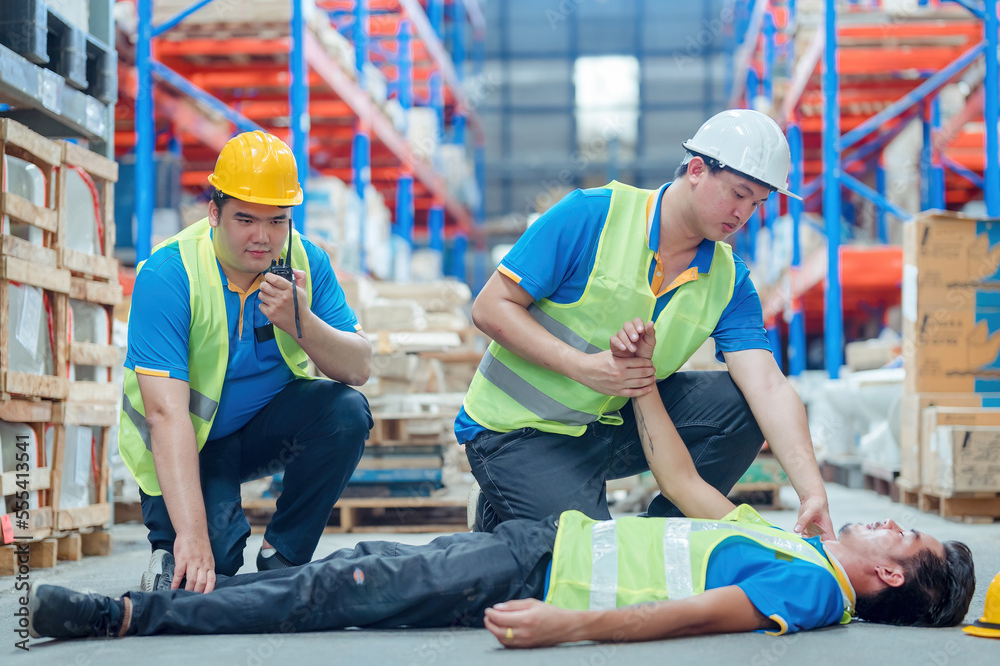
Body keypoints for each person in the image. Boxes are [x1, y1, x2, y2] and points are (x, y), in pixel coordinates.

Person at [28, 321, 976, 644]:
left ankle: (127, 619)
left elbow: (687, 616)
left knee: (347, 588)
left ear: (891, 575)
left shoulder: (811, 588)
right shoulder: (794, 546)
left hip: (545, 577)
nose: (887, 528)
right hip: (552, 541)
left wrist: (574, 626)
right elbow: (683, 482)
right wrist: (638, 379)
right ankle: (195, 603)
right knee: (355, 573)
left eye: (903, 538)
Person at [458, 108, 834, 539]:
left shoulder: (729, 279)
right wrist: (581, 366)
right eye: (738, 193)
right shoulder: (592, 216)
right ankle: (499, 505)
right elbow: (490, 306)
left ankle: (664, 538)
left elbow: (767, 385)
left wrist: (812, 493)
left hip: (610, 427)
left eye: (758, 203)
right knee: (583, 560)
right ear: (697, 170)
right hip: (519, 432)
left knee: (743, 404)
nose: (743, 213)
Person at [119, 131, 374, 594]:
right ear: (213, 212)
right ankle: (170, 542)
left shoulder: (305, 262)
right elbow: (164, 414)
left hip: (258, 430)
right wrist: (193, 538)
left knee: (345, 411)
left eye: (278, 220)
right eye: (245, 219)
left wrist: (303, 324)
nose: (263, 237)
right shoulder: (170, 274)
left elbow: (358, 368)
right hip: (187, 444)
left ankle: (285, 556)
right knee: (212, 562)